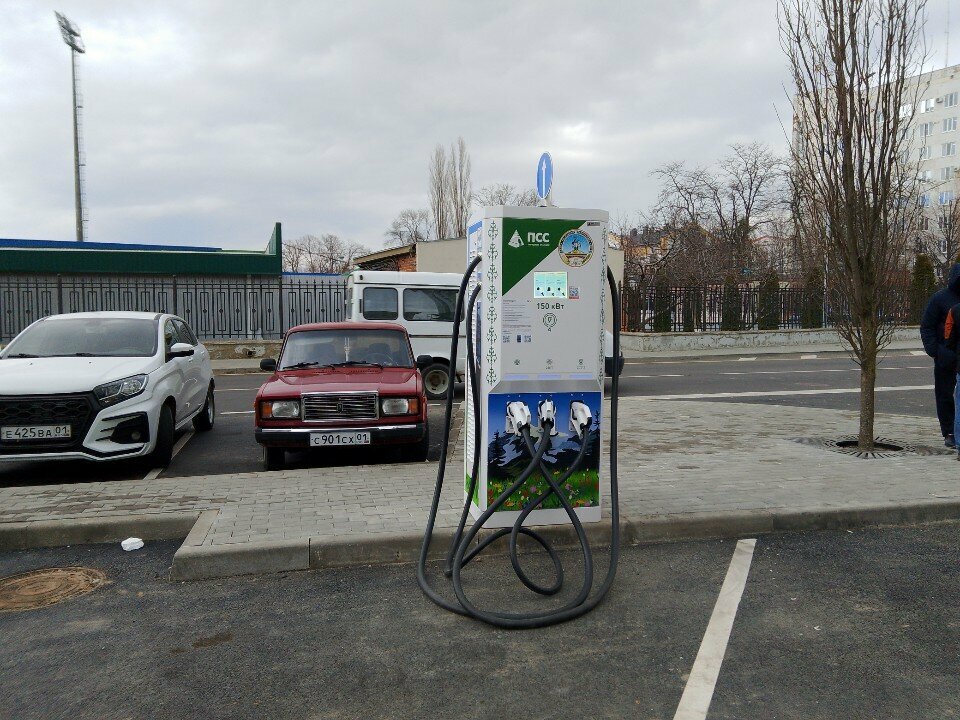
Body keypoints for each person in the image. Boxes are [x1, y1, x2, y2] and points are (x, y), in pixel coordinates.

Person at [920, 263, 960, 448]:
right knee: (944, 395)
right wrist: (935, 351)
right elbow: (927, 326)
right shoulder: (940, 299)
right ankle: (949, 432)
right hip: (945, 357)